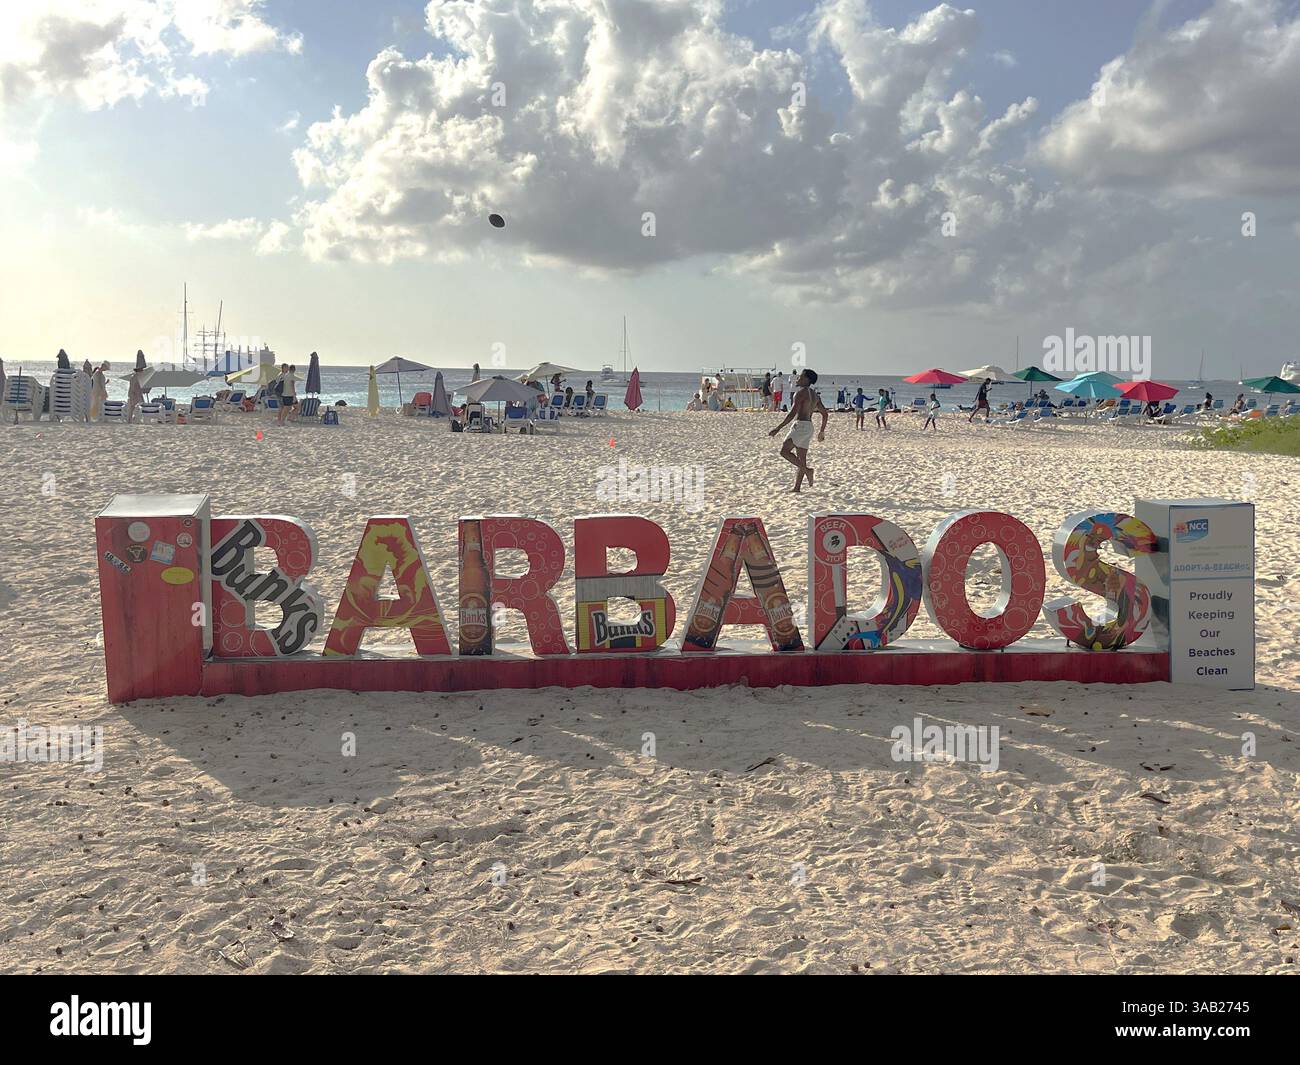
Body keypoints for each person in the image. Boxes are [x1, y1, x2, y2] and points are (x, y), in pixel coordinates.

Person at [769, 368, 828, 493]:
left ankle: (807, 470)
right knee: (801, 458)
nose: (798, 379)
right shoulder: (815, 395)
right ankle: (797, 488)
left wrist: (778, 428)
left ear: (807, 379)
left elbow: (791, 414)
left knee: (784, 451)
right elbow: (825, 413)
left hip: (800, 425)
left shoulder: (800, 393)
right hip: (809, 427)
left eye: (800, 377)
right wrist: (821, 431)